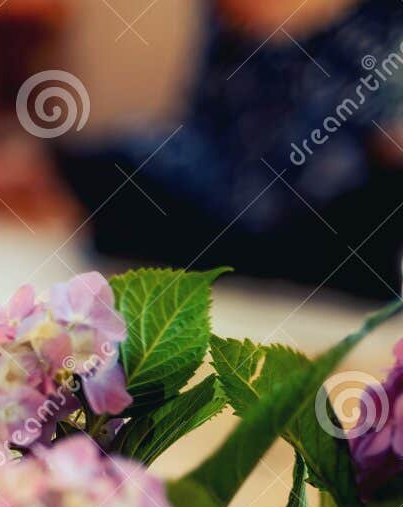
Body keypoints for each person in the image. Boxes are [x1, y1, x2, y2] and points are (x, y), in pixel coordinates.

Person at [55, 0, 403, 298]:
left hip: (332, 201)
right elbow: (201, 120)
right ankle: (248, 262)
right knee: (110, 164)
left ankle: (261, 264)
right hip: (223, 185)